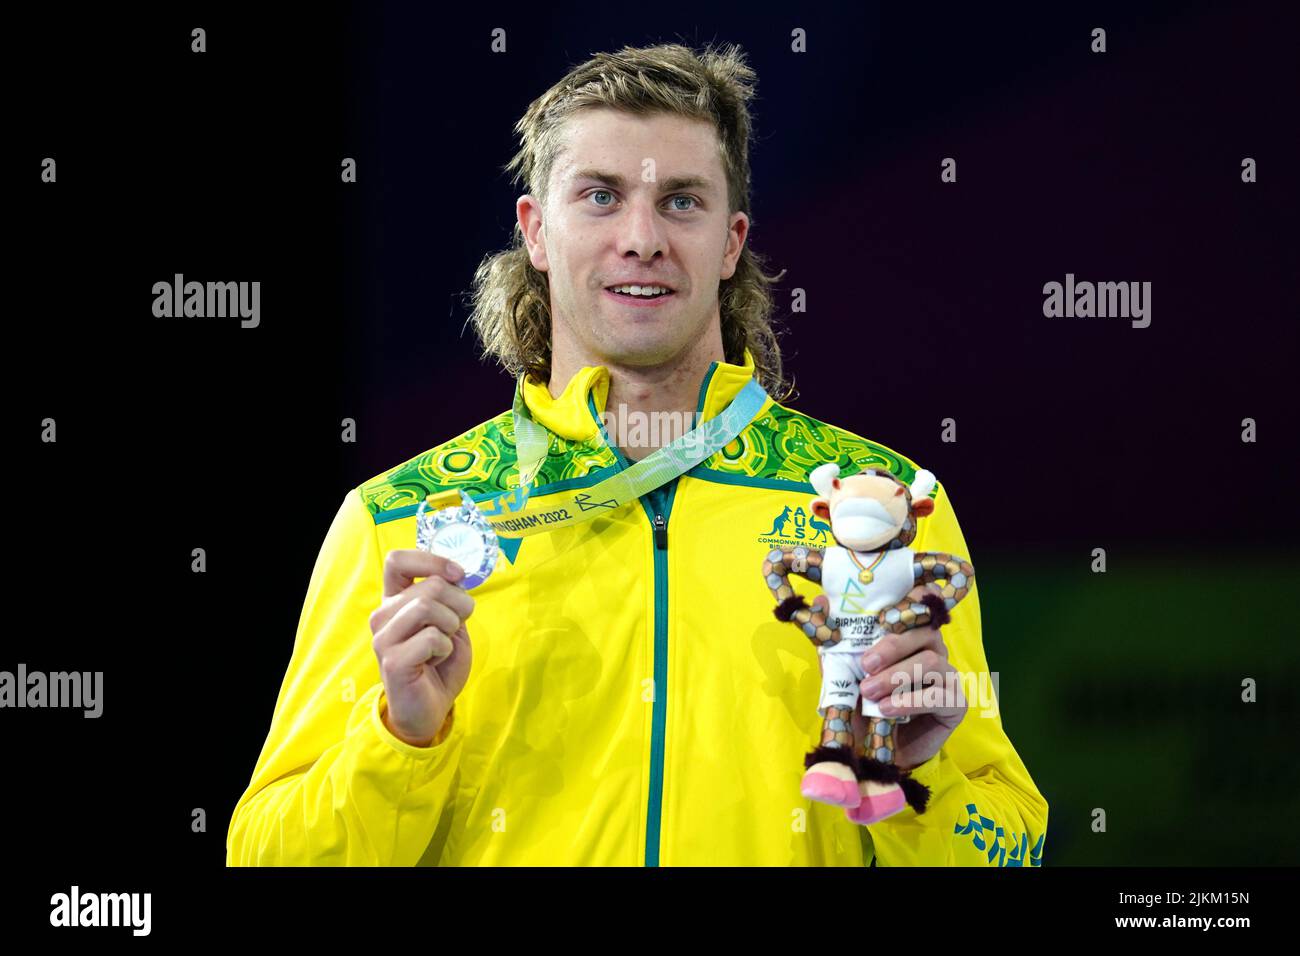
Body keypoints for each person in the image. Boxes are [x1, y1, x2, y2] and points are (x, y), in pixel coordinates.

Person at [226, 42, 1047, 867]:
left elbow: (1010, 846)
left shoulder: (885, 510)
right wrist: (401, 740)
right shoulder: (399, 524)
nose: (642, 237)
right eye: (600, 197)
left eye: (681, 201)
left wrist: (920, 775)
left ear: (731, 244)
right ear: (536, 231)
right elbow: (264, 856)